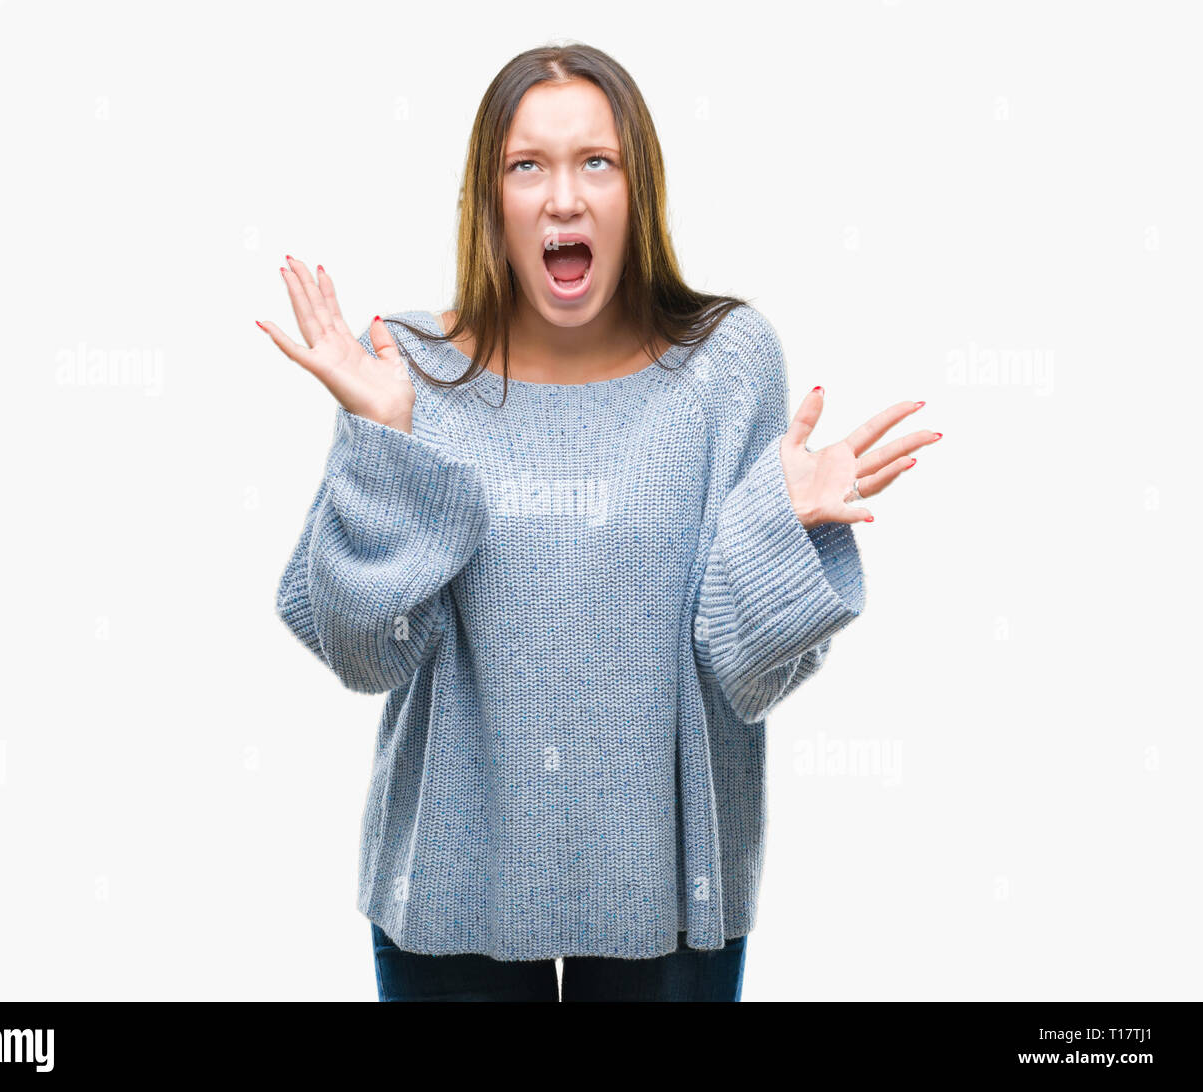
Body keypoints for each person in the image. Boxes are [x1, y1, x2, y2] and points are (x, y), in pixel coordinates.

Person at [259, 42, 940, 1002]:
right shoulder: (404, 368)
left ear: (639, 191)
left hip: (668, 903)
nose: (563, 197)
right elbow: (362, 654)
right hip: (451, 898)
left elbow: (741, 669)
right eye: (526, 164)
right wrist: (386, 443)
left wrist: (778, 527)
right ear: (489, 198)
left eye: (596, 162)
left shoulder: (727, 365)